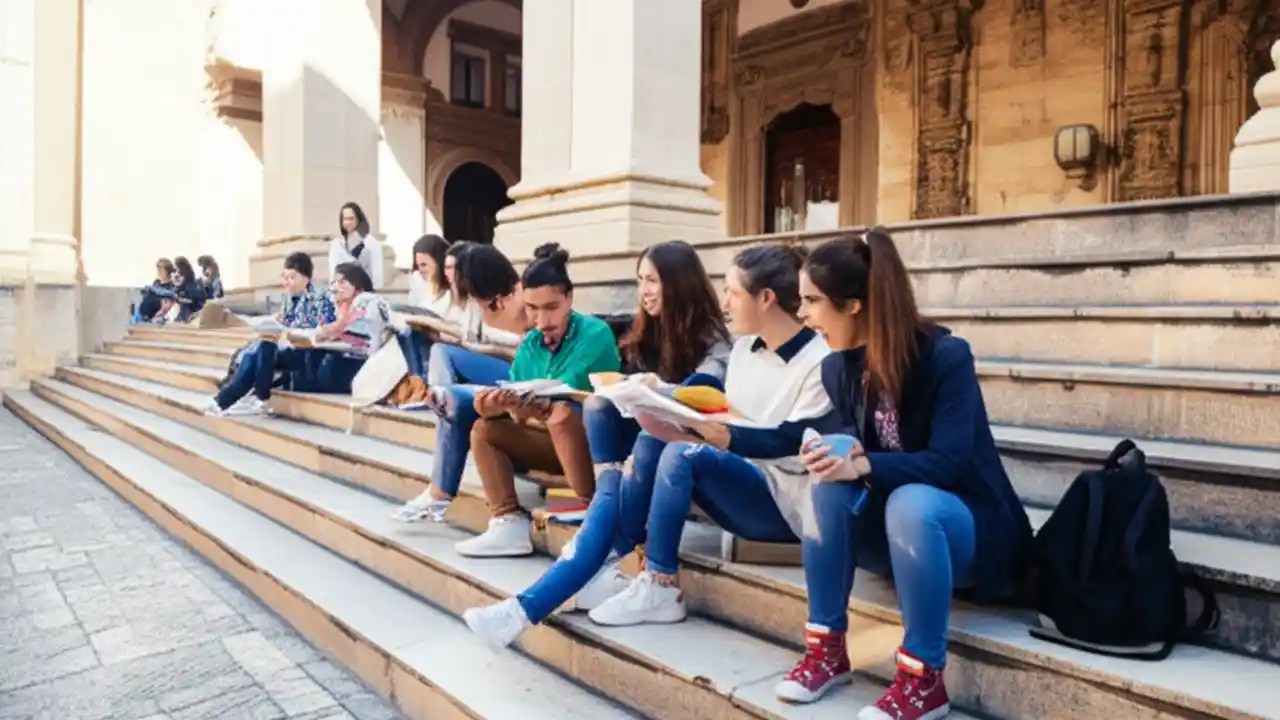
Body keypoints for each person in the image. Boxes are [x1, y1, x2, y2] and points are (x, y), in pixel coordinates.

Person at [462, 244, 837, 649]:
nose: (723, 300)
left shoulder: (818, 360)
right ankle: (545, 593)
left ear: (765, 298)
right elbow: (719, 408)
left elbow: (788, 441)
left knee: (675, 451)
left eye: (731, 291)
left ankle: (652, 578)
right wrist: (650, 399)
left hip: (781, 501)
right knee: (616, 416)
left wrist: (702, 427)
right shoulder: (747, 347)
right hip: (732, 472)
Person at [772, 230, 1033, 719]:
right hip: (902, 540)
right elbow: (860, 446)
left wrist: (864, 461)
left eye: (811, 301)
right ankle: (826, 651)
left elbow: (947, 462)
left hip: (969, 529)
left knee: (910, 501)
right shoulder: (838, 368)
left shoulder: (944, 358)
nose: (803, 315)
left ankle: (923, 680)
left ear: (853, 306)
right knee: (829, 480)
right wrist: (834, 451)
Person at [453, 242, 633, 558]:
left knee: (561, 413)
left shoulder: (595, 333)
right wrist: (498, 404)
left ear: (569, 297)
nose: (541, 320)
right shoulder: (531, 343)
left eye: (551, 307)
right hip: (553, 445)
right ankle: (507, 520)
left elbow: (570, 393)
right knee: (484, 429)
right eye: (532, 309)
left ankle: (594, 512)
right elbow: (520, 409)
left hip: (597, 448)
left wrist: (533, 407)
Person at [391, 244, 531, 523]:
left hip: (523, 374)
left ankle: (438, 493)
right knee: (443, 363)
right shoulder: (482, 301)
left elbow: (525, 352)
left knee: (454, 398)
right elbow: (476, 336)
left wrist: (482, 347)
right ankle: (437, 493)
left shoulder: (521, 299)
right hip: (510, 369)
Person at [205, 252, 336, 416]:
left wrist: (289, 332)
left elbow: (322, 329)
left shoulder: (321, 299)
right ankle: (254, 398)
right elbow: (284, 322)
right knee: (261, 346)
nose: (286, 282)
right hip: (284, 347)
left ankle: (228, 400)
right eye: (284, 277)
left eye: (291, 277)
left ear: (306, 278)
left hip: (307, 352)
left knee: (262, 347)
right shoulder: (289, 298)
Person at [399, 235, 453, 377]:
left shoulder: (454, 291)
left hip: (443, 342)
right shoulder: (419, 284)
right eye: (417, 266)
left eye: (424, 265)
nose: (420, 270)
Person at [329, 201, 384, 289]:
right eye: (345, 219)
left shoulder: (371, 243)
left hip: (364, 291)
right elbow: (333, 273)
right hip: (342, 292)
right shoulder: (337, 244)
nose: (347, 222)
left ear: (358, 219)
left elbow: (377, 277)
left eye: (351, 218)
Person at [133, 258, 176, 323]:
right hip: (142, 314)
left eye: (161, 270)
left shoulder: (171, 286)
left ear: (168, 271)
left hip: (156, 316)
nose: (159, 272)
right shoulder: (156, 283)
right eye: (158, 270)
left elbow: (168, 303)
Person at [169, 256, 208, 322]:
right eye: (174, 271)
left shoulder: (195, 290)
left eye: (181, 272)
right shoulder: (169, 290)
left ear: (187, 274)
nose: (176, 275)